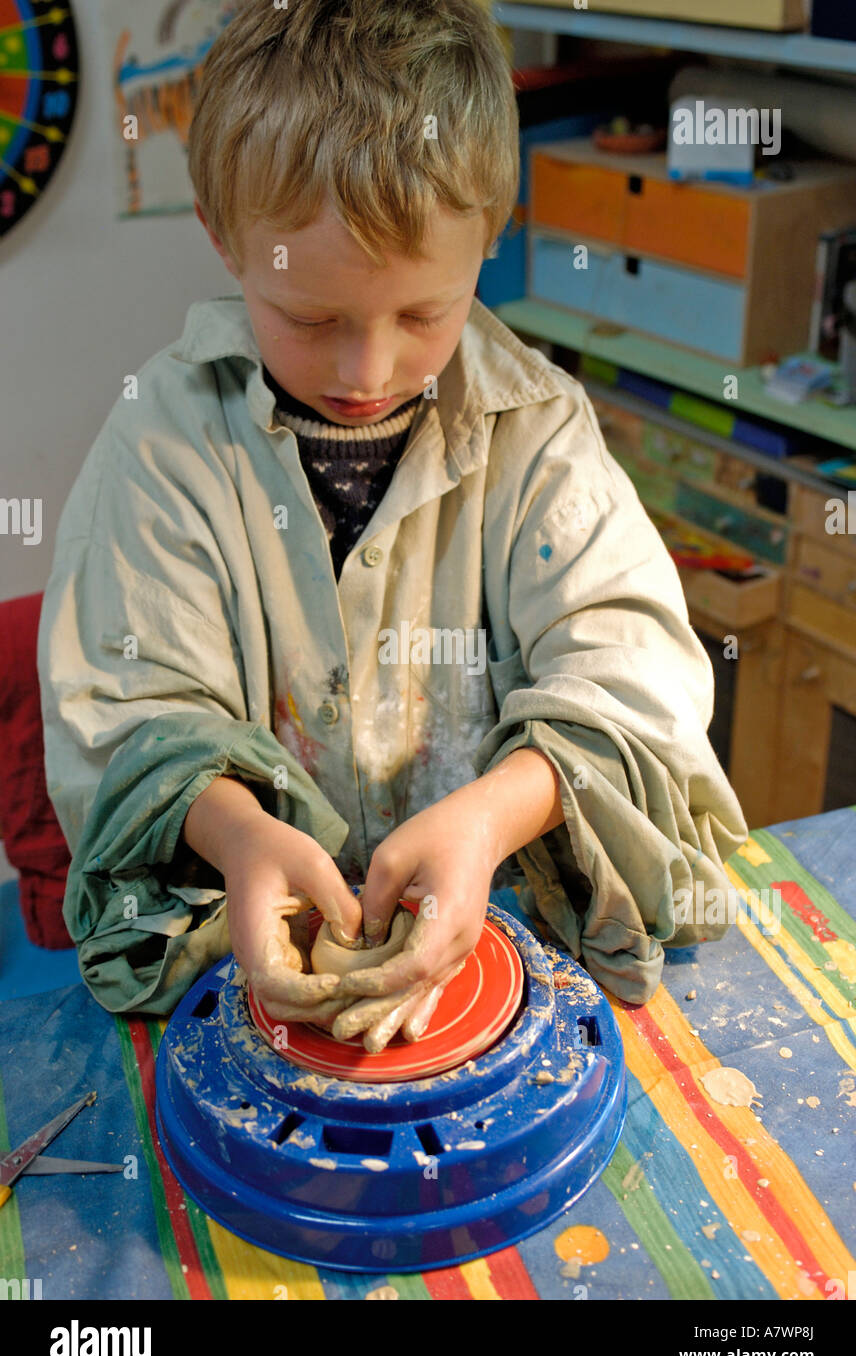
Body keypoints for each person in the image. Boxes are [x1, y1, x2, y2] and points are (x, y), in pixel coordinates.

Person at [37, 0, 748, 1050]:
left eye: (426, 312)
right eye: (310, 319)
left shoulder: (537, 435)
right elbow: (130, 718)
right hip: (250, 984)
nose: (366, 372)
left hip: (507, 963)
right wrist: (233, 834)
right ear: (223, 239)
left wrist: (497, 813)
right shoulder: (163, 446)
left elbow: (634, 673)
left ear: (489, 239)